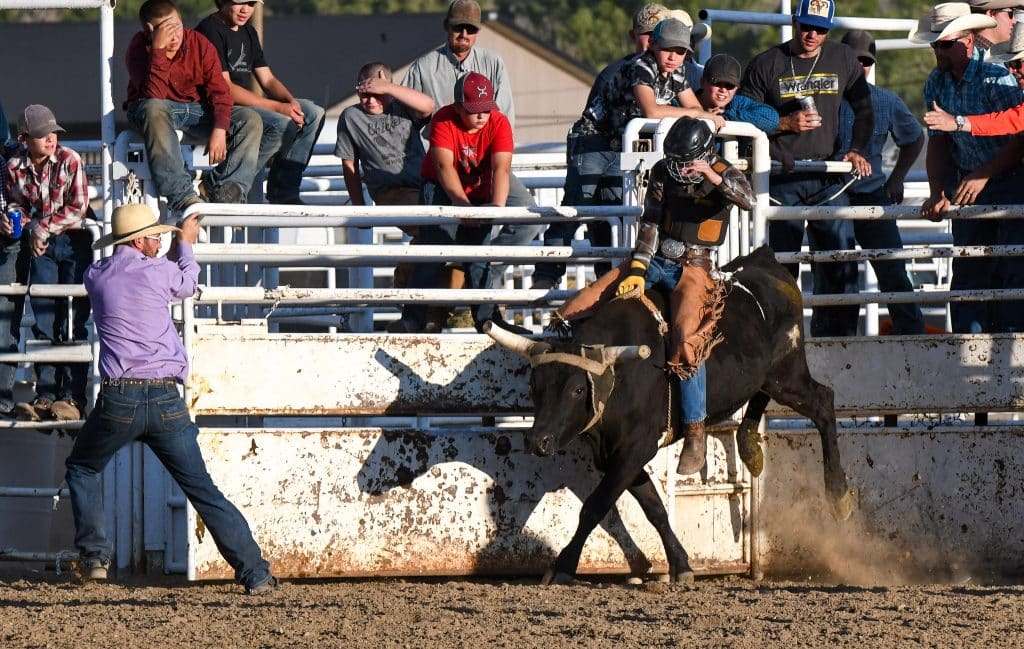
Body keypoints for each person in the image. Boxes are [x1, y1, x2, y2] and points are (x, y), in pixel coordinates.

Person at [64, 203, 277, 593]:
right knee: (201, 489)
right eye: (155, 236)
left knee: (83, 467)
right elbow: (187, 283)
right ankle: (255, 571)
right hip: (165, 398)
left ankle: (94, 556)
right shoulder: (161, 270)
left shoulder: (96, 276)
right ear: (140, 241)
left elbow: (147, 276)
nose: (160, 240)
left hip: (119, 399)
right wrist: (187, 244)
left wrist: (174, 245)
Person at [553, 118, 755, 475]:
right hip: (659, 259)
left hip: (697, 266)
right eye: (674, 160)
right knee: (588, 298)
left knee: (688, 338)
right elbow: (649, 222)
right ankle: (560, 370)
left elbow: (747, 200)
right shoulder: (663, 172)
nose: (678, 168)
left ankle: (695, 429)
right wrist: (637, 268)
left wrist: (709, 173)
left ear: (705, 154)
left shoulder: (724, 171)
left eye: (685, 161)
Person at [532, 5, 715, 290]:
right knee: (578, 205)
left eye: (680, 52)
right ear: (653, 45)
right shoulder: (641, 66)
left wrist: (700, 113)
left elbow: (694, 106)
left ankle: (609, 281)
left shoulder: (675, 73)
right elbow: (652, 111)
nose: (673, 56)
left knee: (616, 214)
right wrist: (700, 115)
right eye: (668, 49)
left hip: (620, 147)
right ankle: (546, 276)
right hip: (592, 141)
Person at [739, 0, 874, 337]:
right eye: (806, 27)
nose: (813, 34)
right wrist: (783, 126)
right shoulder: (766, 63)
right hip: (783, 178)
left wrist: (856, 149)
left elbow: (864, 108)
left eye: (821, 28)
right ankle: (780, 342)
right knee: (781, 268)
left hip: (829, 177)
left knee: (838, 262)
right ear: (795, 23)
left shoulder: (843, 58)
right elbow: (741, 117)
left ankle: (839, 342)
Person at [390, 72, 532, 335]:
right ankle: (414, 316)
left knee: (480, 255)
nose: (481, 116)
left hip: (479, 190)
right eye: (474, 110)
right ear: (457, 107)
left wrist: (496, 209)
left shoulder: (498, 123)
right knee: (433, 250)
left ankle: (487, 320)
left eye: (486, 109)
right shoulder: (444, 120)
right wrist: (461, 205)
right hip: (442, 189)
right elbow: (444, 167)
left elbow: (502, 169)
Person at [404, 0, 539, 275]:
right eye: (458, 27)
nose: (464, 34)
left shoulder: (493, 63)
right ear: (447, 27)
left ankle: (485, 274)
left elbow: (502, 121)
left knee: (528, 217)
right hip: (444, 165)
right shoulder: (423, 67)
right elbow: (406, 124)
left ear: (478, 32)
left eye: (470, 29)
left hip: (485, 163)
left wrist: (494, 195)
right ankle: (451, 285)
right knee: (438, 232)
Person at [914, 3, 1024, 333]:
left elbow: (1016, 132)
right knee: (971, 269)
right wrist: (937, 190)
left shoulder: (997, 76)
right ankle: (968, 347)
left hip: (1006, 179)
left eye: (944, 44)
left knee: (1011, 268)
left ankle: (1009, 345)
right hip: (968, 182)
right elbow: (938, 140)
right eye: (935, 44)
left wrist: (982, 173)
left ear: (967, 41)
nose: (938, 51)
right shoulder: (938, 82)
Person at [125, 0, 262, 212]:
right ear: (149, 31)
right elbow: (155, 96)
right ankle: (182, 196)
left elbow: (220, 91)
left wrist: (219, 128)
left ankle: (223, 189)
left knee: (250, 119)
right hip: (153, 109)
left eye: (177, 27)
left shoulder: (199, 43)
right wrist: (158, 51)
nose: (174, 35)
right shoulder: (138, 50)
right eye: (166, 30)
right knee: (153, 109)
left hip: (194, 108)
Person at [6, 105, 92, 422]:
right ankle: (46, 396)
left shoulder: (70, 159)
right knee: (43, 317)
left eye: (53, 132)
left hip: (72, 242)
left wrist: (39, 228)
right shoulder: (16, 165)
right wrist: (21, 224)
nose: (51, 139)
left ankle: (71, 397)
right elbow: (18, 204)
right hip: (42, 243)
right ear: (25, 138)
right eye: (43, 134)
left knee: (71, 318)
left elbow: (80, 207)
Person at [837, 30, 926, 335]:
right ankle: (836, 341)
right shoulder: (826, 99)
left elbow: (914, 139)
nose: (861, 65)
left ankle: (913, 341)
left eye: (865, 60)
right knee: (837, 273)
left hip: (871, 195)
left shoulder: (885, 100)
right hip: (834, 198)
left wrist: (897, 178)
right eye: (853, 59)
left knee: (893, 270)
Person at [196, 0, 326, 205]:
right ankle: (221, 184)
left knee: (312, 113)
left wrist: (291, 103)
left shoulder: (248, 32)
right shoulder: (209, 30)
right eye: (240, 3)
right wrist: (278, 107)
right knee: (282, 124)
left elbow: (268, 79)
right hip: (217, 107)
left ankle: (283, 189)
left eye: (251, 3)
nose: (246, 9)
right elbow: (225, 88)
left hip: (244, 103)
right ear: (222, 1)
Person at [336, 62, 435, 209]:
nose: (371, 101)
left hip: (425, 185)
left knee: (455, 218)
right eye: (365, 95)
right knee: (434, 226)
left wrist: (388, 87)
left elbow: (428, 106)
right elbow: (349, 164)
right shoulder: (350, 117)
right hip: (390, 191)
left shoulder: (402, 105)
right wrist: (359, 206)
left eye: (378, 94)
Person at [0, 104, 28, 420]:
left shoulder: (11, 159)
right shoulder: (10, 157)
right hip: (7, 245)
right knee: (6, 320)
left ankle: (4, 397)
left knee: (6, 321)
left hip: (8, 245)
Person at [695, 54, 780, 134]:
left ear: (736, 88)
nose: (723, 90)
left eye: (730, 85)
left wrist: (726, 116)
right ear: (702, 82)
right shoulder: (685, 102)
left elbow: (772, 119)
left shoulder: (737, 102)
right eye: (717, 83)